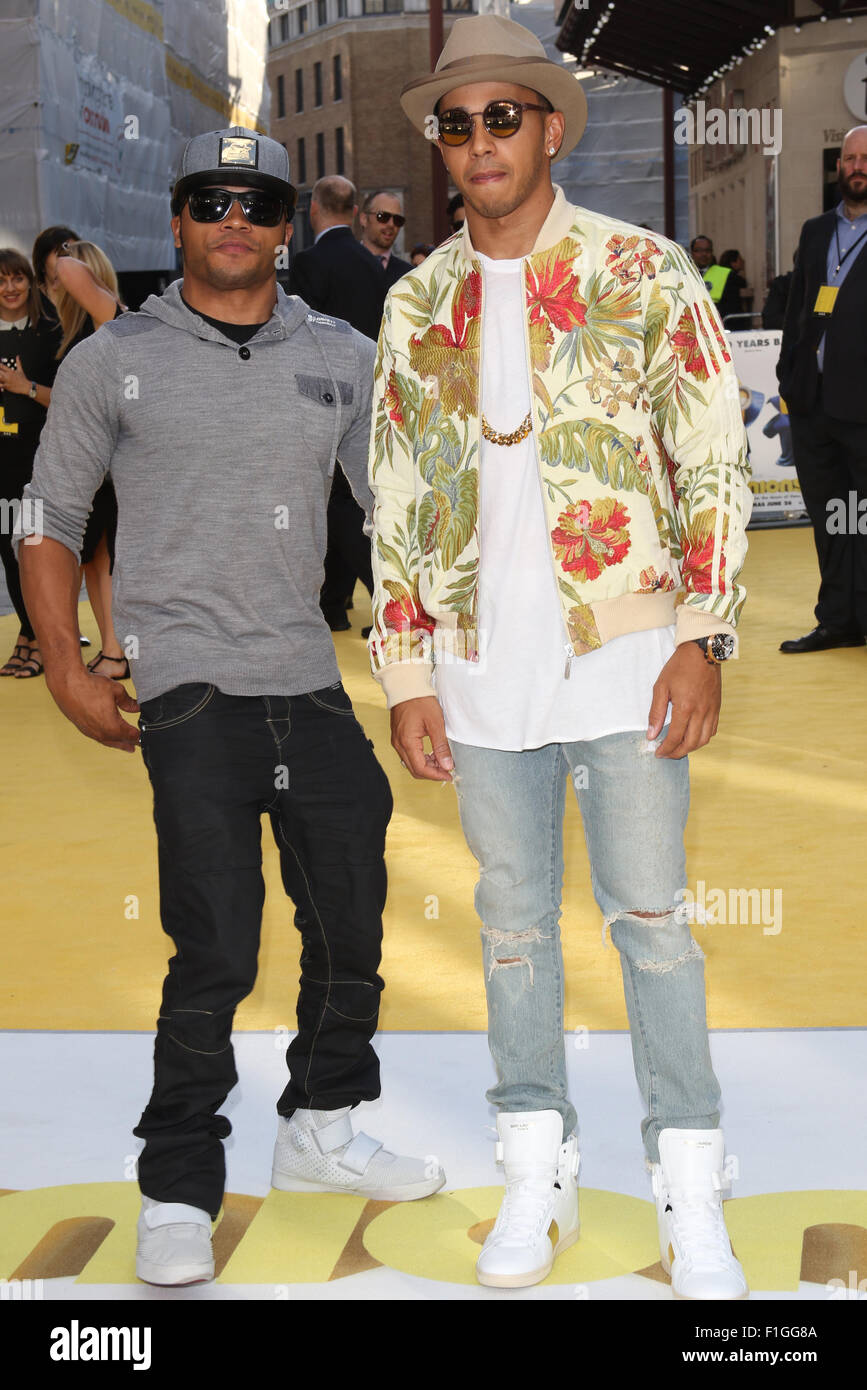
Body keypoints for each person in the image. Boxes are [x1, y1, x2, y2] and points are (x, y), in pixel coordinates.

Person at [18, 125, 444, 1288]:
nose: (236, 223)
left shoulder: (345, 354)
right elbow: (48, 520)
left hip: (306, 676)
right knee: (216, 941)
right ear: (176, 222)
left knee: (352, 918)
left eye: (259, 204)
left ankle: (319, 1128)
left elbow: (404, 517)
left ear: (286, 222)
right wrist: (64, 663)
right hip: (188, 685)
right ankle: (176, 1180)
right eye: (212, 203)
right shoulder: (117, 360)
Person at [369, 14, 752, 1298]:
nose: (478, 141)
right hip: (479, 675)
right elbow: (397, 500)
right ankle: (536, 1162)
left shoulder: (642, 274)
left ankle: (691, 1184)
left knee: (650, 923)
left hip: (627, 661)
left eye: (501, 117)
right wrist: (409, 673)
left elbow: (713, 466)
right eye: (456, 123)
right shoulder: (414, 301)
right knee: (515, 930)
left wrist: (703, 638)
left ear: (549, 128)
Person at [776, 125, 867, 654]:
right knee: (834, 517)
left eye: (865, 158)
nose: (857, 166)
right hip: (814, 406)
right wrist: (790, 375)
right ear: (839, 166)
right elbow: (797, 309)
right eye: (849, 158)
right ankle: (837, 620)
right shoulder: (815, 232)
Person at [288, 176, 385, 633]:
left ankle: (376, 596)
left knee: (341, 506)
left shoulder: (310, 262)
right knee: (355, 498)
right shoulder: (372, 263)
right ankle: (333, 603)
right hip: (371, 387)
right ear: (354, 210)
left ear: (314, 210)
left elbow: (301, 334)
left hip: (321, 394)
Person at [52, 240, 128, 679]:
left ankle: (118, 653)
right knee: (96, 560)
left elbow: (68, 270)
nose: (55, 283)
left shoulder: (111, 317)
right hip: (95, 461)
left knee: (107, 561)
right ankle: (113, 648)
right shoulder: (85, 326)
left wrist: (68, 253)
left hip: (108, 464)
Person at [0, 249, 62, 677]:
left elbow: (69, 399)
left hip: (38, 461)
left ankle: (39, 636)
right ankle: (29, 632)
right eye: (1, 280)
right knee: (8, 549)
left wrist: (25, 386)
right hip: (1, 461)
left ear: (30, 282)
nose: (9, 288)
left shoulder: (52, 332)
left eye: (17, 279)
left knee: (34, 549)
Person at [358, 190, 412, 289]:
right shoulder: (341, 266)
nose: (391, 225)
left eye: (397, 220)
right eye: (383, 216)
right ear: (364, 219)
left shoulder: (409, 276)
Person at [718, 249, 752, 321]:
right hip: (734, 317)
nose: (743, 261)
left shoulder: (719, 276)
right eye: (740, 259)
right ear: (733, 263)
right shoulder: (734, 278)